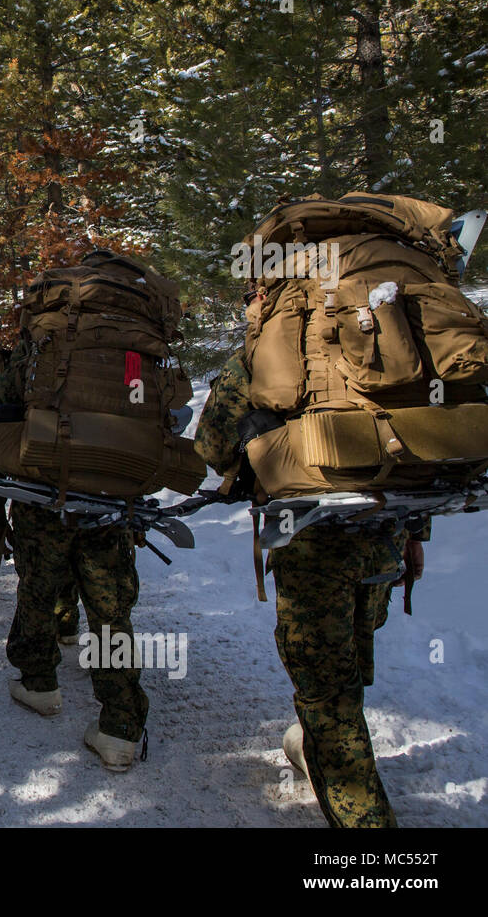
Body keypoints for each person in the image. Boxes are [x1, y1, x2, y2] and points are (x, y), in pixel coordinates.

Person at [195, 350, 426, 826]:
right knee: (351, 653)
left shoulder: (271, 345)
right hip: (388, 526)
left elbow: (213, 447)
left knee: (326, 686)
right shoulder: (396, 336)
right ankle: (313, 741)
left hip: (310, 535)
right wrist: (417, 534)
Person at [0, 340, 149, 771]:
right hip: (111, 503)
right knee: (111, 615)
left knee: (37, 590)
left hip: (42, 502)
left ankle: (40, 686)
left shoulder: (35, 358)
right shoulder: (133, 357)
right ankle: (120, 728)